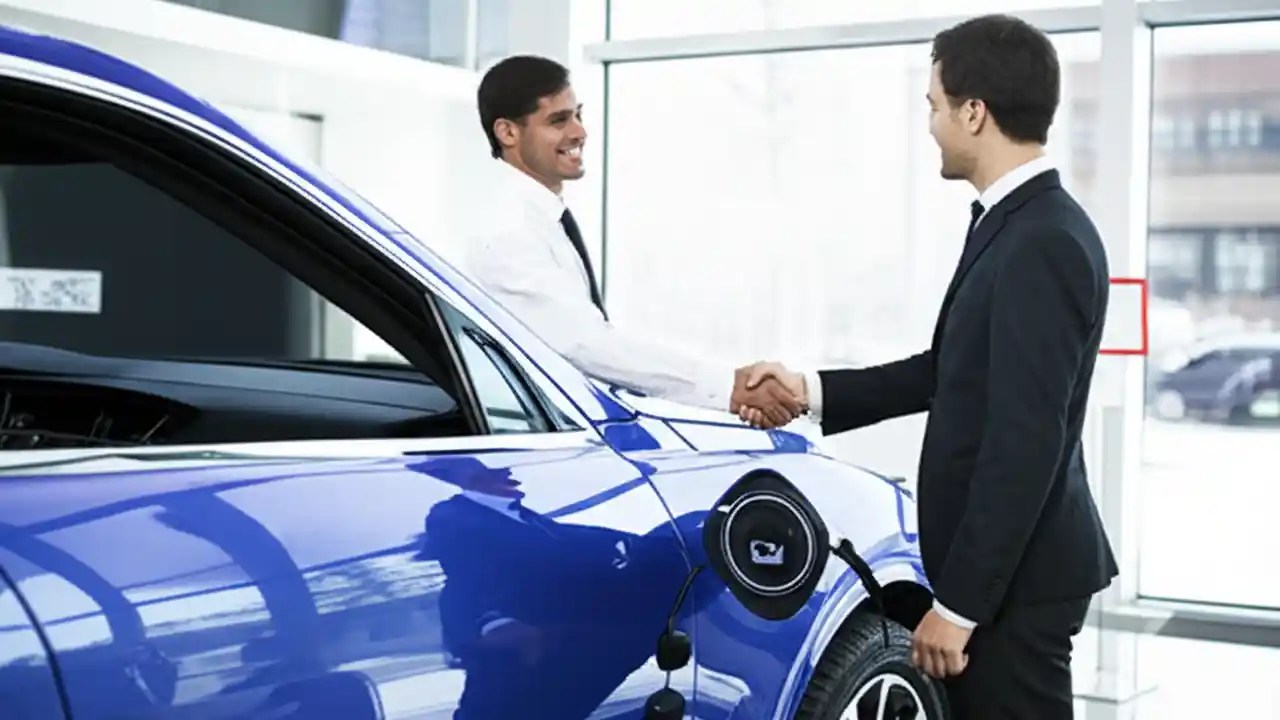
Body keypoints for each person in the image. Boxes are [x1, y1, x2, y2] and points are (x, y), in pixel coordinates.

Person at [738, 14, 1118, 719]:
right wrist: (809, 390)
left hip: (1015, 587)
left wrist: (961, 607)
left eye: (935, 106)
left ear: (975, 113)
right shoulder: (1012, 224)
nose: (932, 124)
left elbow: (1024, 443)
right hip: (1007, 576)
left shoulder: (1043, 241)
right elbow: (948, 373)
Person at [466, 54, 802, 426]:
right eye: (558, 121)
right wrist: (729, 387)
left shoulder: (541, 217)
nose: (579, 132)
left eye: (578, 114)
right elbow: (585, 346)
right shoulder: (509, 230)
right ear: (508, 133)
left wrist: (723, 392)